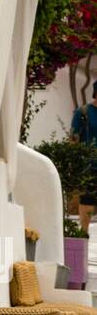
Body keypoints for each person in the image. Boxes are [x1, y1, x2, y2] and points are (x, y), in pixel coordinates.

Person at [71, 80, 97, 232]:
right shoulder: (83, 112)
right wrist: (74, 163)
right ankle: (84, 232)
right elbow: (73, 139)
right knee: (87, 200)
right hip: (89, 165)